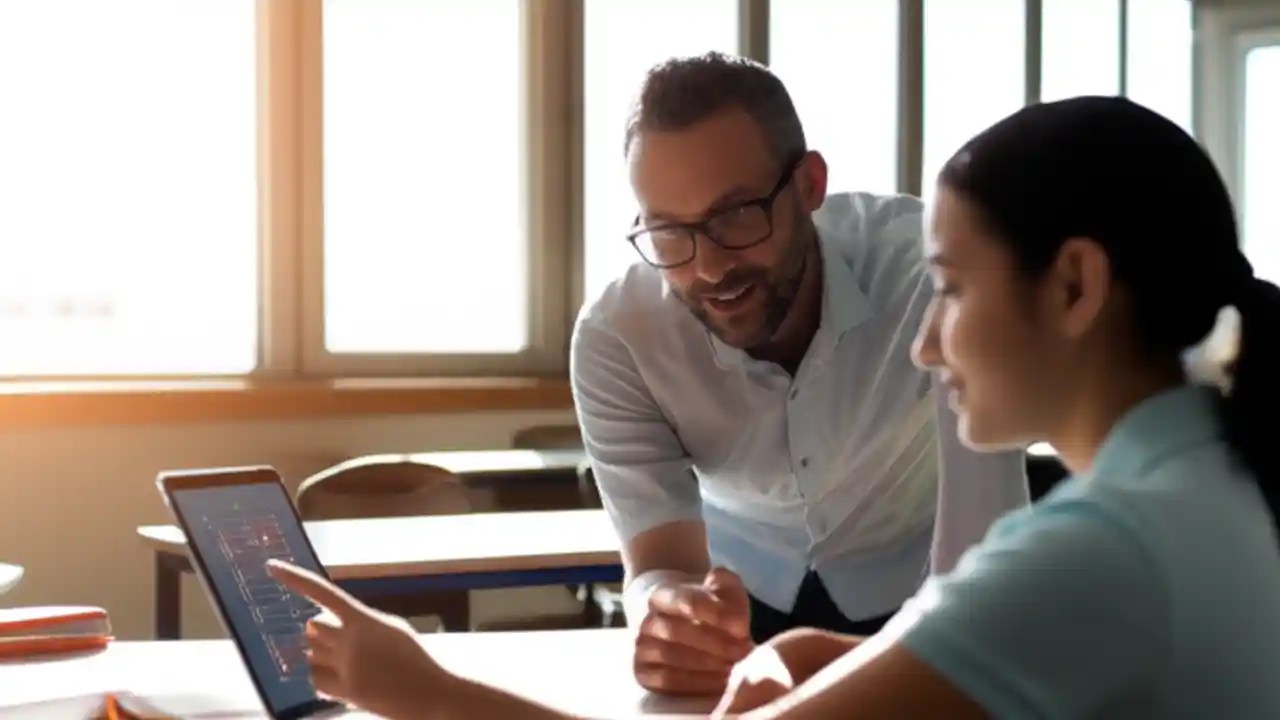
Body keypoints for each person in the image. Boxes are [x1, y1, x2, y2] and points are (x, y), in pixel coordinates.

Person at [268, 94, 1280, 718]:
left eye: (953, 289)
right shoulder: (1215, 493)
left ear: (1073, 286)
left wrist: (422, 690)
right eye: (671, 234)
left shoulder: (1086, 552)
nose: (926, 342)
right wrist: (827, 655)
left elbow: (1035, 603)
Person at [568, 51, 1027, 696]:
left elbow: (989, 545)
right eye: (670, 232)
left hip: (923, 592)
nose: (709, 268)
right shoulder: (617, 337)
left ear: (810, 185)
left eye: (736, 215)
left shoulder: (931, 274)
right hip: (736, 607)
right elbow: (659, 565)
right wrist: (663, 617)